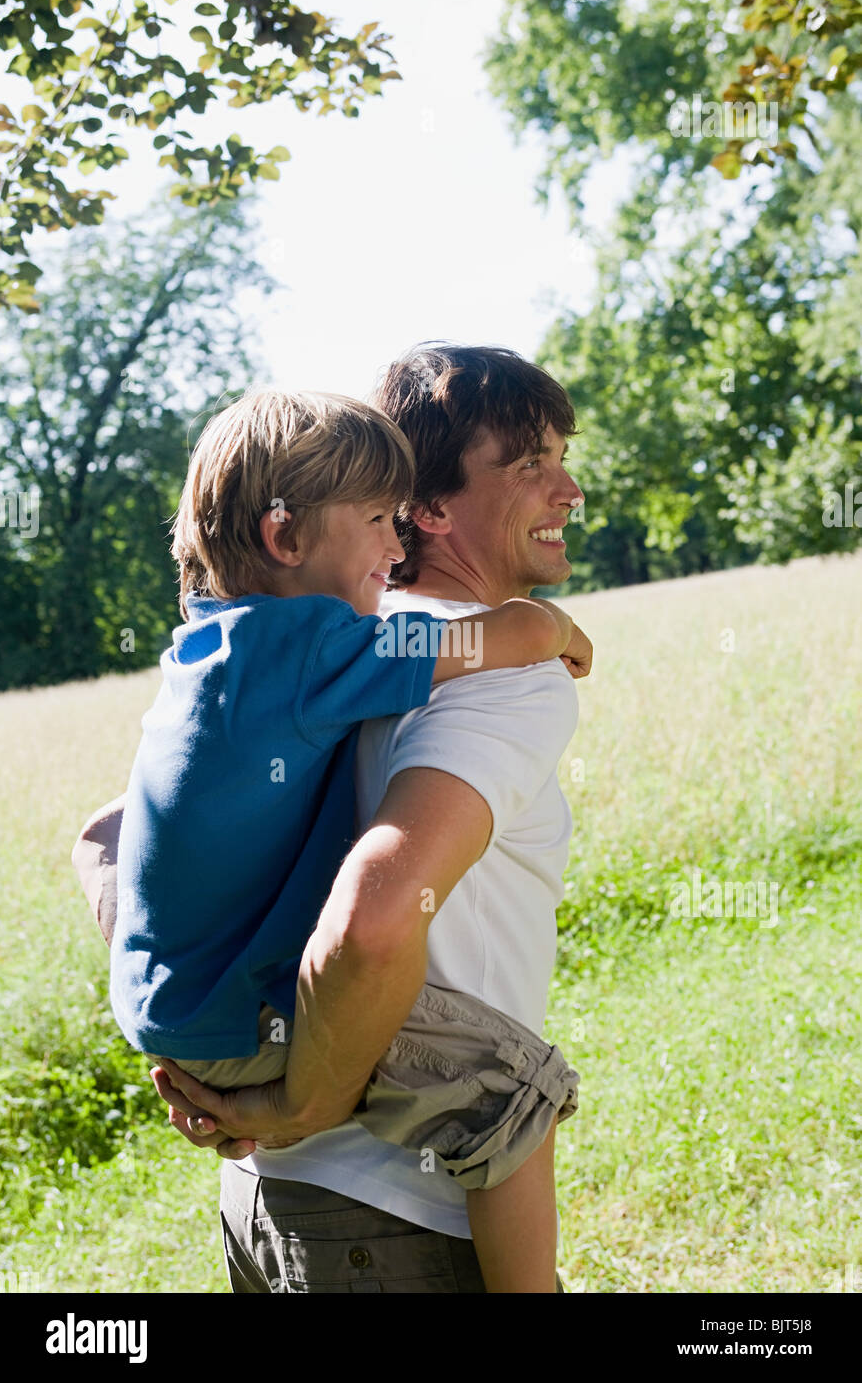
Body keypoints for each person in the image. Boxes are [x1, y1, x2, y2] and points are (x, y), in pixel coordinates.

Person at [74, 344, 589, 1293]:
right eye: (532, 463)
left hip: (260, 1199)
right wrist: (301, 1095)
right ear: (428, 511)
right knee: (515, 1097)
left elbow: (105, 833)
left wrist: (180, 995)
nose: (571, 490)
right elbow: (372, 918)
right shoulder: (429, 662)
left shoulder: (227, 644)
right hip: (386, 1216)